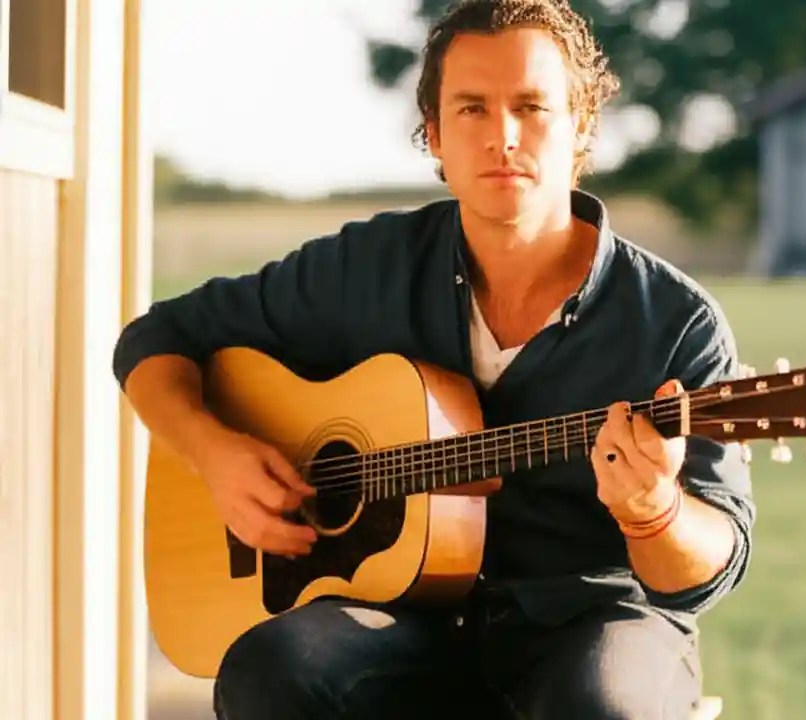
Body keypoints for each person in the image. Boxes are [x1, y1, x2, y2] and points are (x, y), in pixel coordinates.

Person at [112, 1, 755, 717]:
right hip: (403, 617)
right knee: (273, 667)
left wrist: (654, 513)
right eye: (472, 109)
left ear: (582, 128)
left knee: (598, 707)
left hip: (591, 620)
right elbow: (156, 340)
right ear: (434, 135)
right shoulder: (368, 269)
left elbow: (708, 568)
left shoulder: (673, 321)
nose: (502, 136)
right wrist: (214, 453)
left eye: (532, 106)